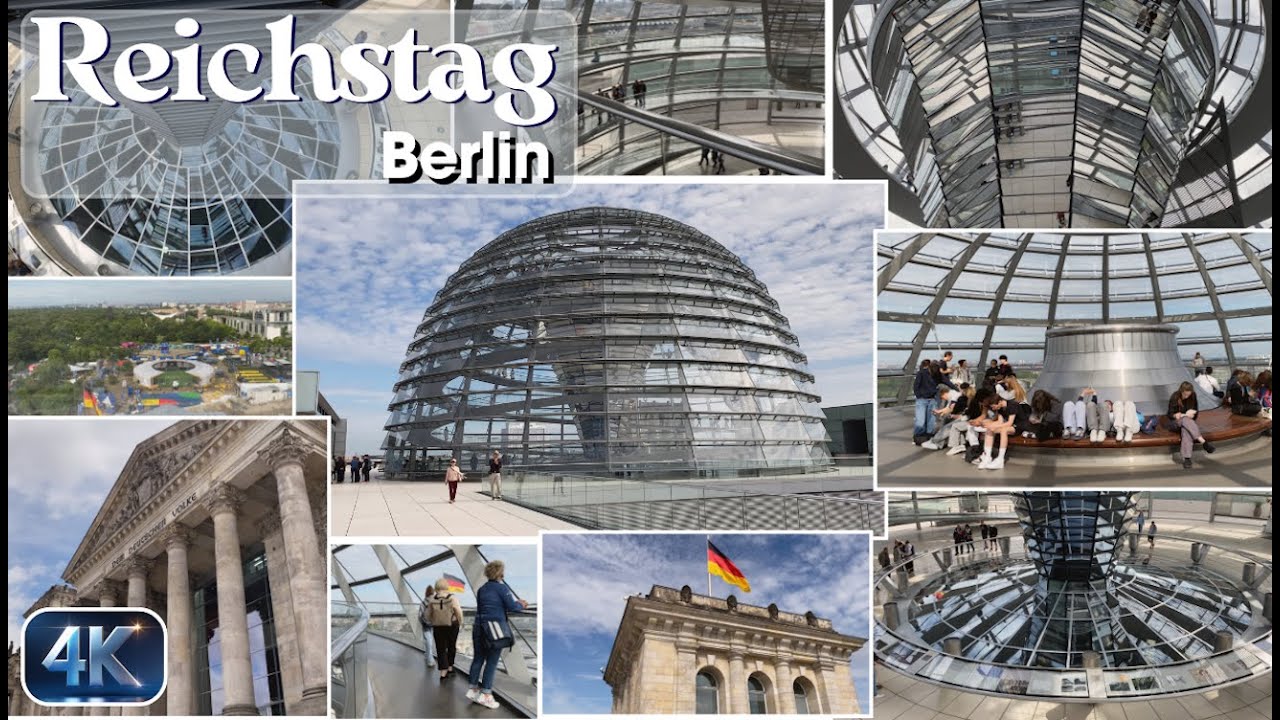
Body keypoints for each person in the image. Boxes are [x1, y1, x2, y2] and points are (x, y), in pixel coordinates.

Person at [467, 560, 528, 710]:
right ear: (501, 573)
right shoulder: (502, 588)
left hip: (478, 627)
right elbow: (513, 607)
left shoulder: (482, 589)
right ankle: (486, 694)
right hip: (494, 630)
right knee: (492, 662)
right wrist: (522, 604)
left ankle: (473, 689)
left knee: (478, 659)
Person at [1168, 381, 1216, 469]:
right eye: (1185, 394)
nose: (1187, 396)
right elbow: (1170, 414)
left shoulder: (1193, 396)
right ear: (1181, 391)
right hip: (1175, 423)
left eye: (1188, 395)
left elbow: (1196, 413)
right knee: (1185, 420)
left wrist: (1192, 415)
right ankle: (1204, 442)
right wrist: (1175, 415)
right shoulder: (1175, 397)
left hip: (1187, 424)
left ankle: (1187, 459)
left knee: (1186, 430)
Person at [426, 578, 464, 679]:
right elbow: (458, 611)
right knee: (452, 646)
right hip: (452, 626)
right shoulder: (452, 598)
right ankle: (450, 668)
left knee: (441, 648)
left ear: (436, 587)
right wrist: (460, 621)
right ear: (446, 586)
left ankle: (443, 672)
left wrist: (433, 620)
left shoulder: (432, 599)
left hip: (438, 627)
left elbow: (427, 615)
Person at [912, 359, 939, 442]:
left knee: (930, 419)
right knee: (922, 419)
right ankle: (919, 436)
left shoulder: (934, 374)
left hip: (931, 399)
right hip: (923, 399)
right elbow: (916, 385)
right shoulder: (921, 373)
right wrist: (919, 396)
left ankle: (927, 436)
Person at [418, 586, 438, 668]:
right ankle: (429, 659)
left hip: (425, 625)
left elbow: (419, 615)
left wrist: (423, 622)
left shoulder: (423, 602)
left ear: (426, 593)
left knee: (428, 642)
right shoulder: (435, 601)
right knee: (430, 642)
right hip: (434, 624)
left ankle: (428, 658)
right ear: (433, 592)